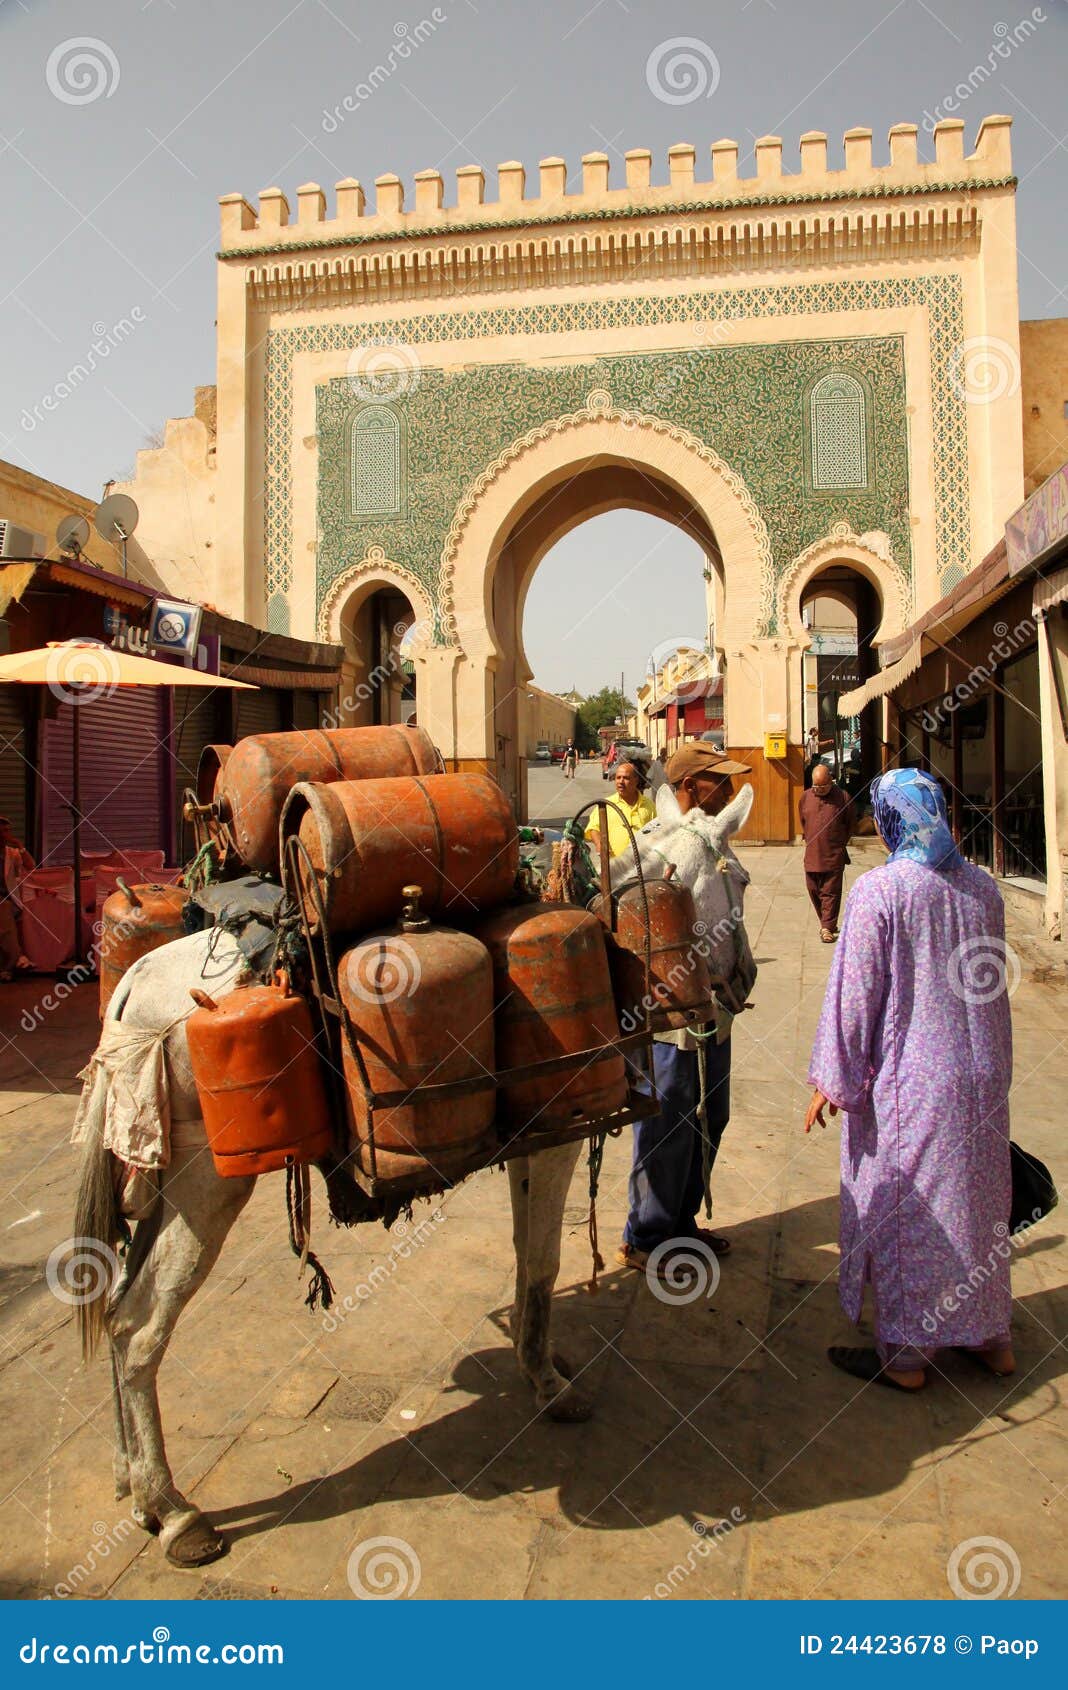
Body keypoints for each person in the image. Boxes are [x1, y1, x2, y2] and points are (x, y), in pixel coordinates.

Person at [805, 767, 1014, 1392]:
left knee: (910, 1211)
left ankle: (905, 1357)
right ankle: (989, 1338)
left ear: (890, 819)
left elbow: (855, 997)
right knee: (976, 1208)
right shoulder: (984, 888)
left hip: (912, 1083)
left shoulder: (881, 892)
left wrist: (831, 1080)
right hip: (982, 1076)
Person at [617, 743, 756, 1272]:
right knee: (666, 1119)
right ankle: (645, 1234)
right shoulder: (675, 844)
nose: (727, 789)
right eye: (719, 781)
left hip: (715, 1009)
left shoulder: (711, 839)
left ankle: (681, 1221)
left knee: (710, 1115)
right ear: (693, 787)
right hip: (672, 1016)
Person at [798, 762, 854, 942]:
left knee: (830, 892)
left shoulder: (843, 797)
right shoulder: (805, 797)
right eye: (815, 786)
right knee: (813, 889)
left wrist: (839, 843)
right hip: (812, 854)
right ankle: (826, 921)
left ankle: (827, 928)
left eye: (822, 786)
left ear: (831, 781)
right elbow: (803, 822)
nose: (819, 790)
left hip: (833, 855)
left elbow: (850, 824)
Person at [584, 761, 655, 860]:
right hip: (614, 867)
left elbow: (658, 832)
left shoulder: (649, 805)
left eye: (626, 778)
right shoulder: (605, 805)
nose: (621, 781)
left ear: (636, 780)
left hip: (643, 866)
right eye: (618, 778)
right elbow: (593, 828)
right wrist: (600, 844)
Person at [0, 816, 34, 981]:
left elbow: (31, 866)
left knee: (8, 910)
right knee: (4, 909)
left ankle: (15, 960)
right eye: (1, 831)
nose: (3, 835)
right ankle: (15, 960)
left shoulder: (11, 853)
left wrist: (20, 847)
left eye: (6, 831)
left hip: (11, 899)